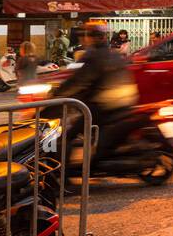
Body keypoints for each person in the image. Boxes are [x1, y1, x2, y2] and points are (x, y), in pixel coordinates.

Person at [56, 24, 138, 156]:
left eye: (84, 36)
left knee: (68, 136)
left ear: (90, 38)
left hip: (105, 104)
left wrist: (58, 93)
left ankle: (64, 174)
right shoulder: (113, 54)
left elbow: (78, 81)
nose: (83, 40)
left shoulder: (93, 56)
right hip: (126, 101)